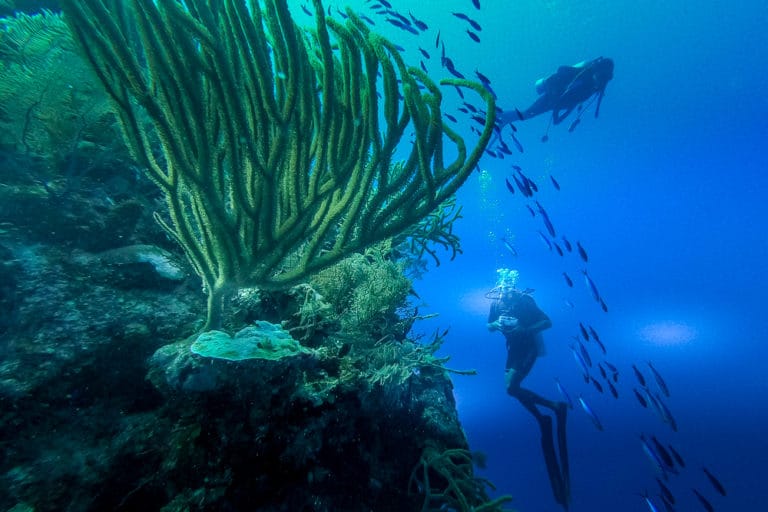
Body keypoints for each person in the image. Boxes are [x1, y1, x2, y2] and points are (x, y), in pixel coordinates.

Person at [487, 269, 571, 509]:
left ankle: (554, 407)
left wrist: (525, 328)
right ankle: (547, 413)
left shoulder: (526, 302)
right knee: (510, 389)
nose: (506, 293)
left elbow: (548, 321)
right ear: (499, 289)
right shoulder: (496, 304)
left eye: (509, 289)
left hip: (528, 348)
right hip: (512, 350)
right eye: (503, 289)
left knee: (512, 388)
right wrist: (496, 323)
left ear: (514, 288)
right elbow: (488, 327)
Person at [521, 56, 614, 126]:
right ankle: (506, 117)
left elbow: (576, 99)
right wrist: (557, 111)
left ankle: (506, 118)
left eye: (606, 77)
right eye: (603, 75)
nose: (602, 79)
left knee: (527, 114)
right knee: (527, 114)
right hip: (552, 97)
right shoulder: (585, 77)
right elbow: (568, 90)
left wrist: (562, 114)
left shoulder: (594, 85)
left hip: (557, 102)